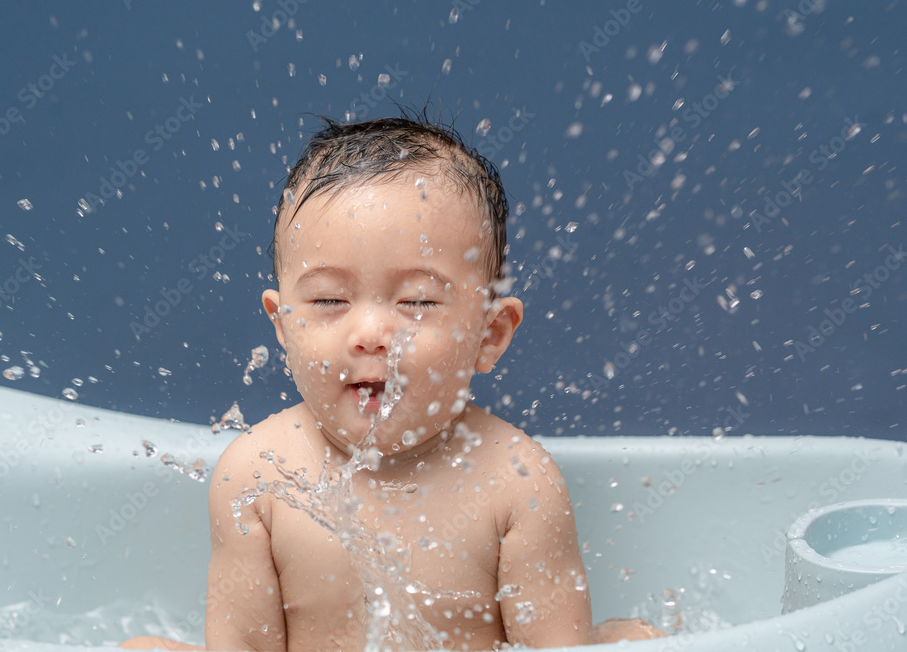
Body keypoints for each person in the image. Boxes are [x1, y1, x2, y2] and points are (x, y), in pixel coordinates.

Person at [122, 113, 663, 651]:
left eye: (418, 302)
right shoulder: (255, 475)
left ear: (489, 335)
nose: (371, 333)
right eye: (330, 300)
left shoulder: (517, 482)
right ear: (282, 325)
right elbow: (242, 645)